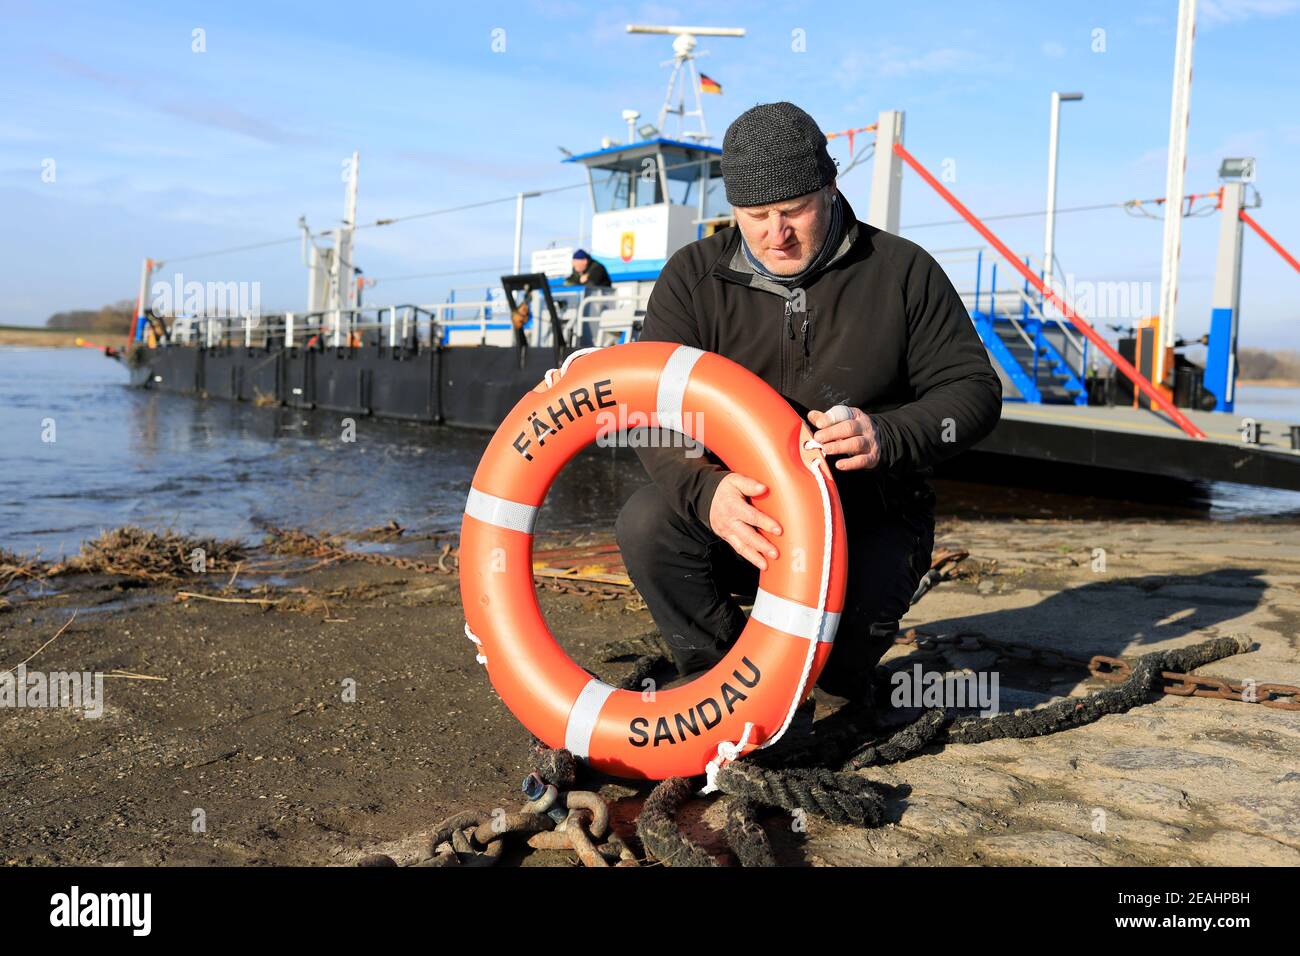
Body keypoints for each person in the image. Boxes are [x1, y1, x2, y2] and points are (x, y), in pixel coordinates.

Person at [615, 101, 1002, 701]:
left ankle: (830, 671)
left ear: (829, 187)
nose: (777, 233)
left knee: (833, 692)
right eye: (756, 214)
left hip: (869, 514)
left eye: (794, 209)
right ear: (732, 207)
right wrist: (706, 491)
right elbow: (647, 411)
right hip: (746, 512)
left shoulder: (903, 272)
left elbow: (974, 392)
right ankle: (712, 673)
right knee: (647, 521)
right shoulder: (691, 279)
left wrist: (887, 435)